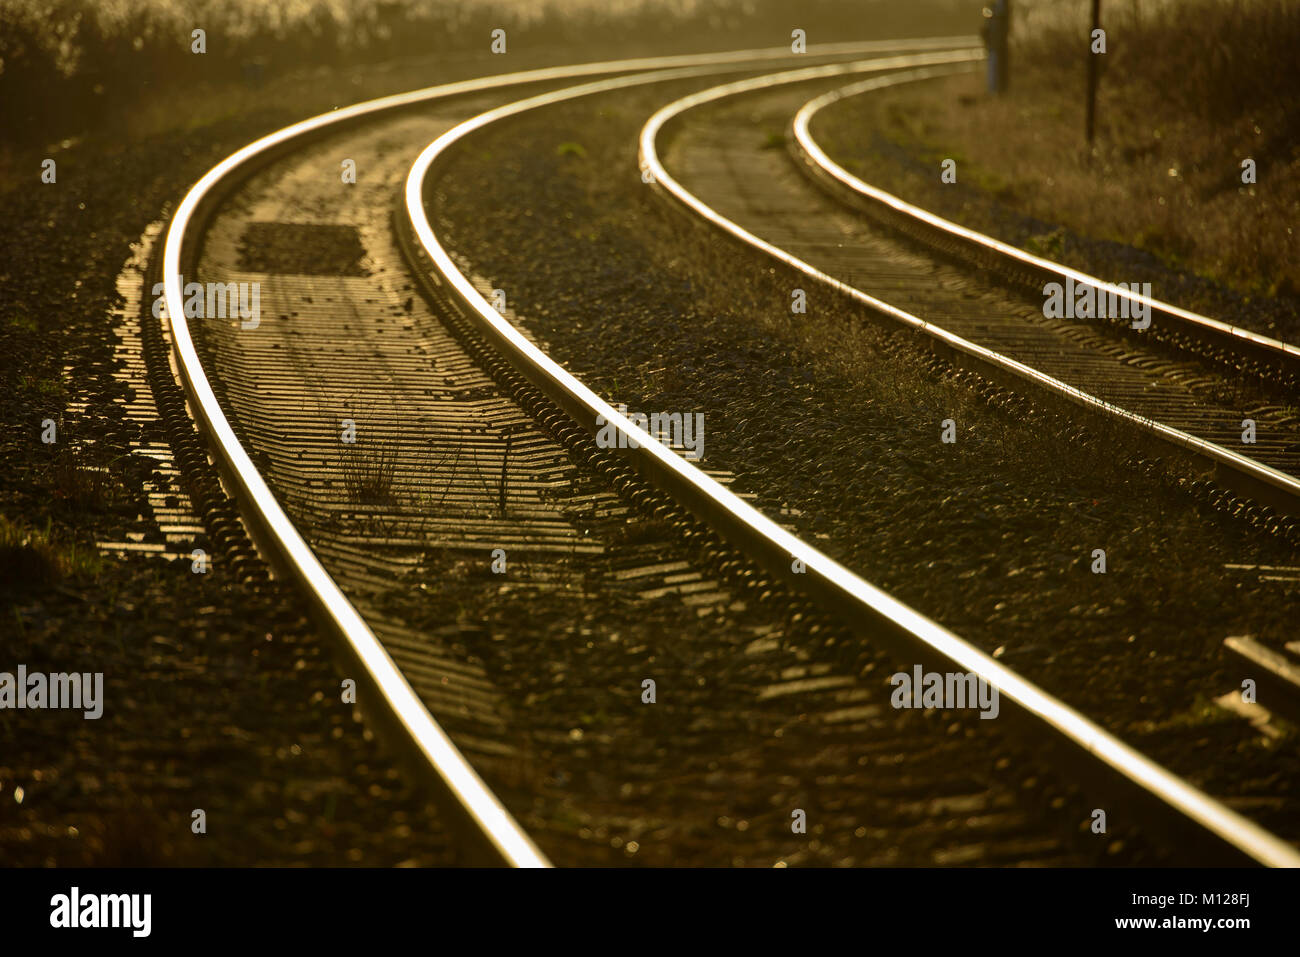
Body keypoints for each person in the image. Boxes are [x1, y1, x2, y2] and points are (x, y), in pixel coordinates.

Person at [980, 0, 1011, 94]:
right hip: (994, 43)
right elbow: (987, 17)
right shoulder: (994, 5)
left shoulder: (1004, 6)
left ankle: (998, 91)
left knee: (998, 68)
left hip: (999, 43)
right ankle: (994, 91)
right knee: (993, 68)